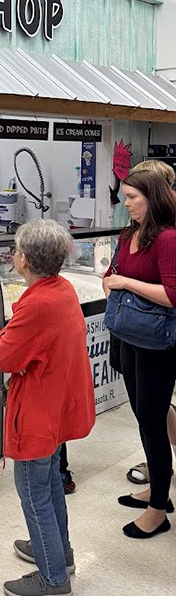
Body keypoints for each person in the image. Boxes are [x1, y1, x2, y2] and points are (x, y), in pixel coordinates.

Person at [0, 219, 95, 596]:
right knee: (50, 482)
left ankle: (54, 580)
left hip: (37, 412)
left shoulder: (35, 304)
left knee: (33, 491)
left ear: (24, 259)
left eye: (17, 249)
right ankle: (59, 553)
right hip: (57, 407)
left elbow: (3, 357)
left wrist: (8, 337)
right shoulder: (62, 289)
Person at [103, 169, 176, 537]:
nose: (126, 203)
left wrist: (126, 283)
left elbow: (172, 295)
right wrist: (111, 280)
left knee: (152, 421)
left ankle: (158, 510)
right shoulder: (129, 234)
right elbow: (112, 271)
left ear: (153, 197)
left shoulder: (167, 240)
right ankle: (157, 488)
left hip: (157, 345)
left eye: (133, 197)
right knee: (144, 415)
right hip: (127, 336)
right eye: (125, 196)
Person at [124, 160, 176, 486]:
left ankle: (159, 468)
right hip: (137, 331)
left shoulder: (168, 234)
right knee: (150, 409)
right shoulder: (137, 229)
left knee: (154, 410)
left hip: (162, 334)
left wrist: (127, 284)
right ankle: (160, 464)